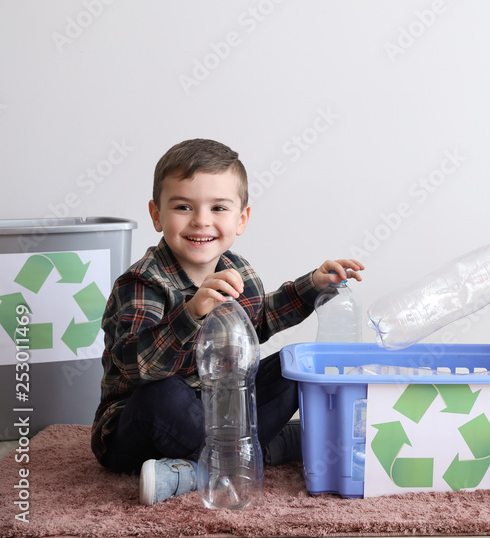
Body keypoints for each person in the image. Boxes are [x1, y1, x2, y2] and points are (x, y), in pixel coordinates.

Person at [91, 138, 364, 505]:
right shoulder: (143, 282)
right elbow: (136, 367)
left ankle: (194, 470)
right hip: (137, 426)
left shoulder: (239, 271)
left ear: (241, 219)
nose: (201, 220)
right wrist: (191, 313)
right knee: (164, 395)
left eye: (218, 207)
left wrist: (313, 285)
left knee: (293, 365)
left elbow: (261, 319)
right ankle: (268, 450)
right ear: (157, 215)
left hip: (219, 411)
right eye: (183, 206)